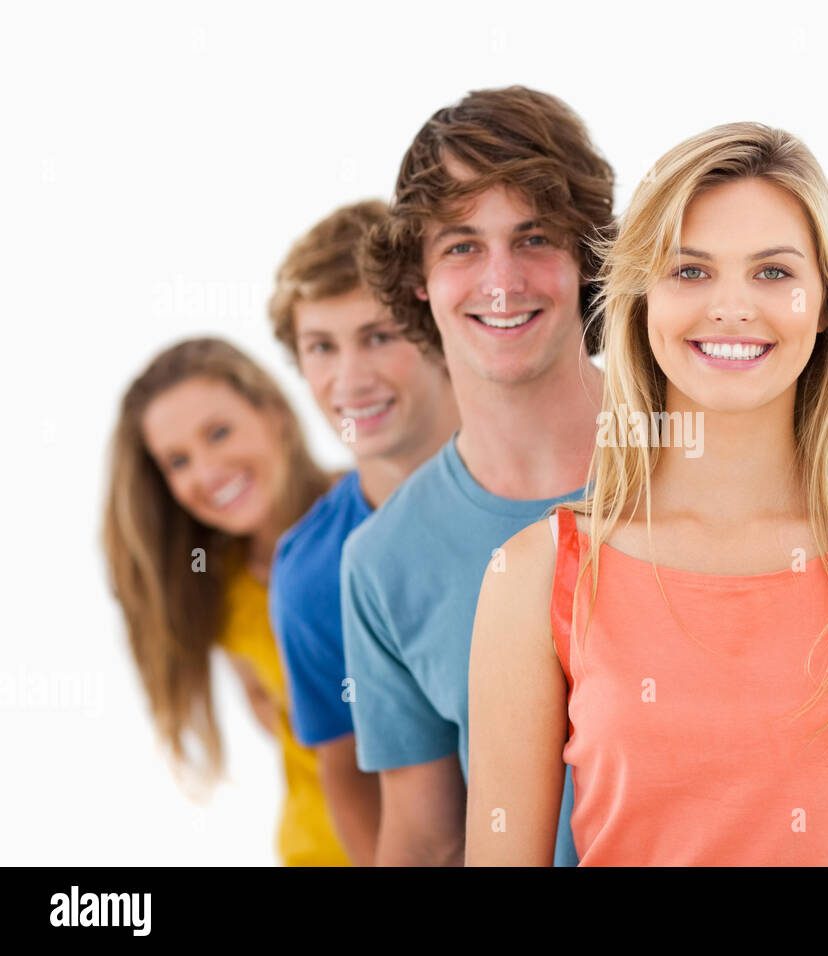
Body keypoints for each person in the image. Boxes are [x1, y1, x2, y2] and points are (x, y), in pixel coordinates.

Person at [466, 123, 828, 866]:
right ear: (642, 301)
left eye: (773, 273)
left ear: (823, 305)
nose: (732, 306)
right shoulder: (533, 574)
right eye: (690, 271)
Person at [340, 86, 613, 865]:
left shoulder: (708, 459)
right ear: (419, 279)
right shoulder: (383, 561)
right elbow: (426, 842)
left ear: (585, 257)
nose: (501, 281)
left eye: (534, 239)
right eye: (462, 245)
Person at [103, 337, 349, 865]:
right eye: (178, 461)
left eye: (219, 432)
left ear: (276, 413)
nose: (208, 471)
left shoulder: (375, 509)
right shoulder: (221, 593)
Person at [266, 200, 460, 864]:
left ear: (438, 329)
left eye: (379, 335)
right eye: (321, 346)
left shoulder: (561, 484)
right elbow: (350, 775)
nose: (349, 381)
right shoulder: (311, 574)